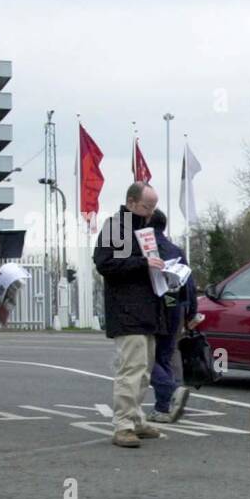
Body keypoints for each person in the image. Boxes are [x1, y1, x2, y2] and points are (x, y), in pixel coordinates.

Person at [93, 182, 166, 448]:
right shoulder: (118, 227)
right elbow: (106, 263)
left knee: (143, 370)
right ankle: (123, 424)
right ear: (132, 202)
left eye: (154, 207)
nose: (150, 212)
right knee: (131, 369)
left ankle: (135, 418)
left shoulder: (141, 229)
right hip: (128, 310)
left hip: (146, 308)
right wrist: (143, 262)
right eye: (147, 206)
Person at [143, 209, 195, 424]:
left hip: (152, 307)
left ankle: (172, 391)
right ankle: (162, 408)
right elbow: (189, 284)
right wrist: (191, 311)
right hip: (174, 306)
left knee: (144, 359)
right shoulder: (175, 249)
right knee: (163, 356)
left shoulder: (144, 248)